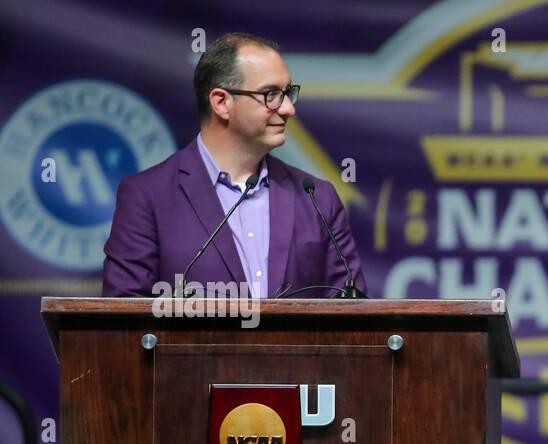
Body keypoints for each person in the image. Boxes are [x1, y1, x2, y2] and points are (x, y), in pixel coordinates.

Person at [102, 32, 366, 298]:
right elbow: (121, 321)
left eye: (288, 93)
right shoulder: (148, 196)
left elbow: (353, 310)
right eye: (271, 94)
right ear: (221, 102)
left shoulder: (317, 198)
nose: (288, 109)